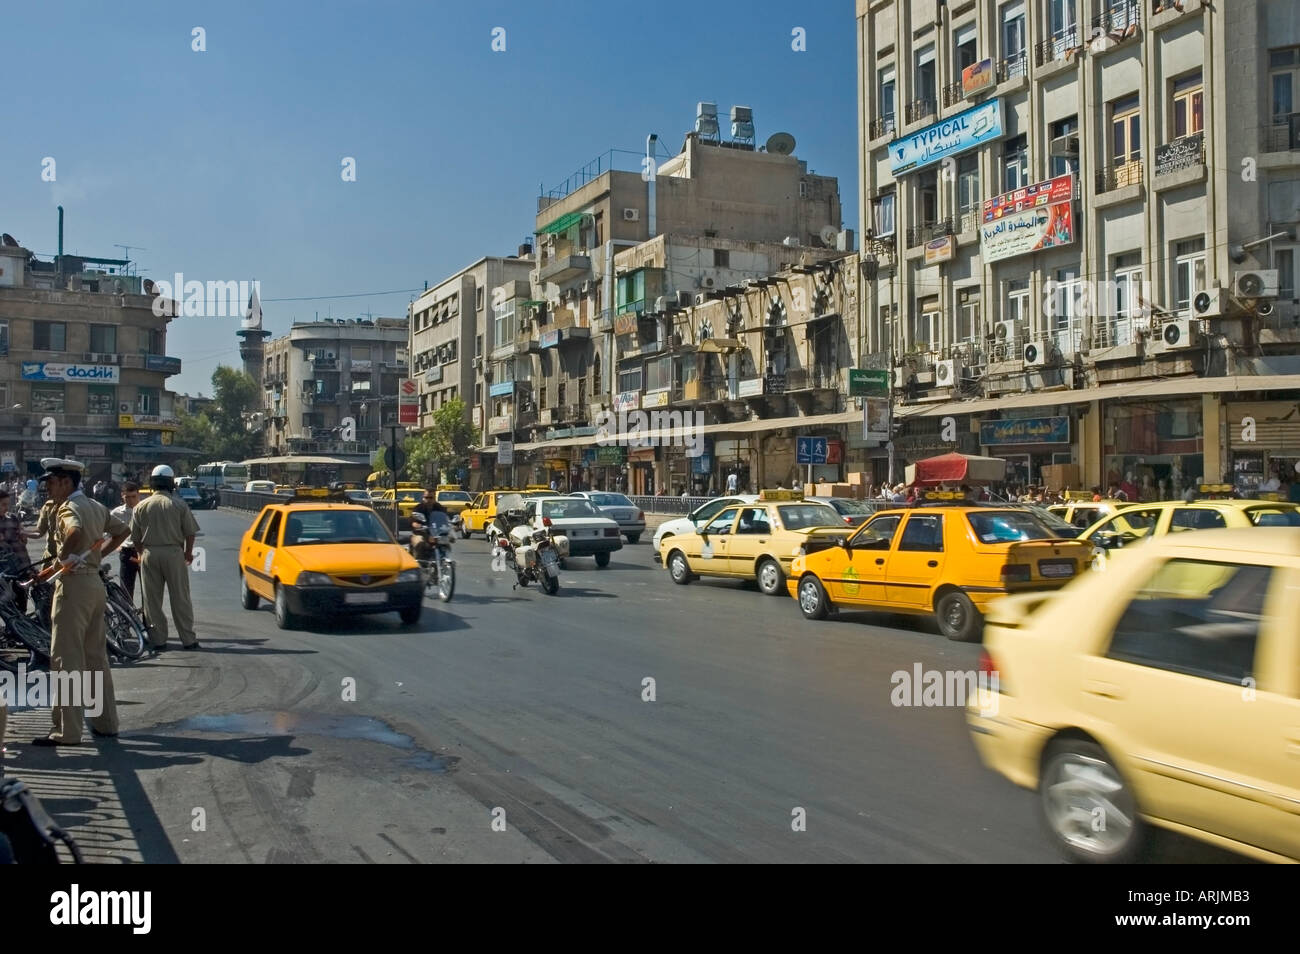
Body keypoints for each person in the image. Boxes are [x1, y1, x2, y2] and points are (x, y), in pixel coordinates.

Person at [32, 458, 129, 746]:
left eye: (50, 482)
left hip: (73, 587)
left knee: (66, 659)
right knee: (96, 657)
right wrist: (99, 556)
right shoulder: (96, 506)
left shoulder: (68, 507)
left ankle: (67, 732)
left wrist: (64, 559)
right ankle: (106, 723)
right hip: (94, 584)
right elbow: (122, 531)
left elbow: (73, 532)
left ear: (65, 482)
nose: (47, 488)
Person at [130, 465, 201, 652]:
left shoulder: (141, 506)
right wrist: (188, 552)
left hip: (149, 554)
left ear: (152, 483)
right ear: (171, 483)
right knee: (180, 597)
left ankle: (158, 640)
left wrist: (140, 553)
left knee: (152, 600)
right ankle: (188, 639)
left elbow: (135, 537)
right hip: (173, 553)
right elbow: (190, 532)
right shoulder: (178, 504)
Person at [111, 481, 142, 599]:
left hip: (143, 552)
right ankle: (128, 616)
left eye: (133, 497)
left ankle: (147, 617)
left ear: (138, 495)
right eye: (127, 497)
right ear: (122, 496)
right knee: (126, 590)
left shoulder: (145, 510)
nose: (130, 500)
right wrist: (117, 546)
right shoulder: (116, 513)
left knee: (148, 589)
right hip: (127, 553)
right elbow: (107, 533)